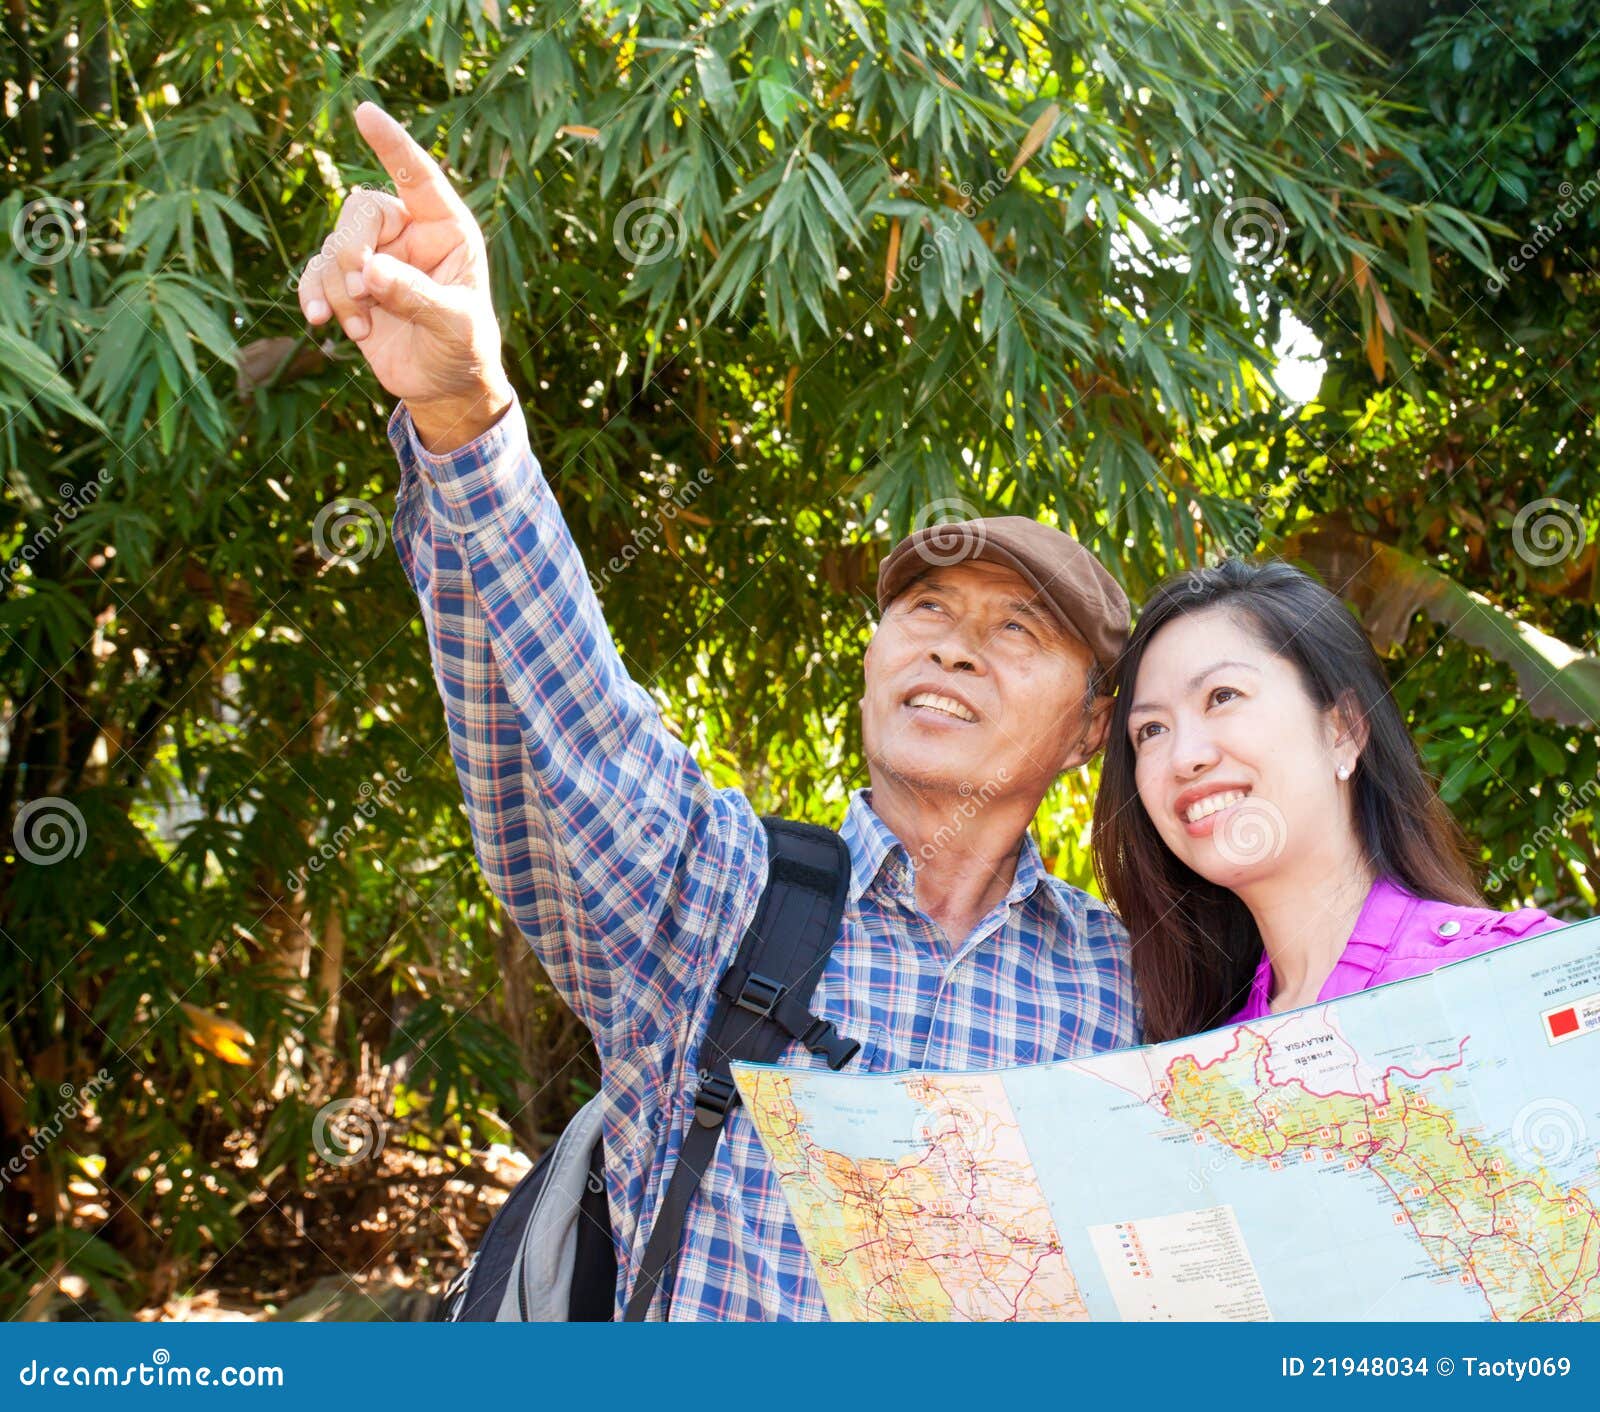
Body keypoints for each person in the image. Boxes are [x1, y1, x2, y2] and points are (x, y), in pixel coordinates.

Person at [295, 100, 1141, 1320]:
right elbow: (580, 720)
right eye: (925, 610)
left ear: (1089, 730)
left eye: (1016, 629)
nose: (954, 646)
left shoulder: (1138, 990)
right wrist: (467, 411)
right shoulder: (720, 895)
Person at [1092, 557, 1564, 1045]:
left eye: (1222, 696)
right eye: (1151, 730)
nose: (1184, 757)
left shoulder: (1521, 977)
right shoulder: (1198, 1066)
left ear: (1344, 730)